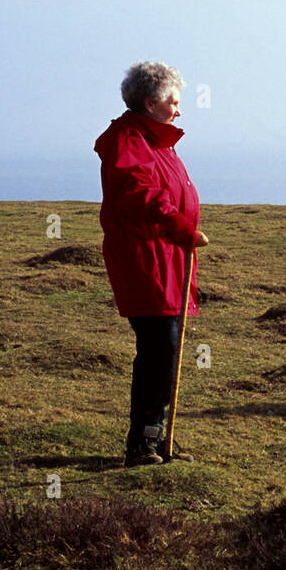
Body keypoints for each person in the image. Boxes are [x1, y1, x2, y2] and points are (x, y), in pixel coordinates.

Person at [94, 61, 210, 465]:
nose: (179, 110)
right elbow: (139, 193)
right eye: (173, 102)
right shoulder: (129, 140)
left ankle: (158, 440)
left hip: (167, 257)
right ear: (151, 102)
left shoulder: (156, 141)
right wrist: (180, 227)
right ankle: (142, 443)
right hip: (146, 257)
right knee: (160, 347)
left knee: (167, 347)